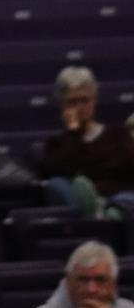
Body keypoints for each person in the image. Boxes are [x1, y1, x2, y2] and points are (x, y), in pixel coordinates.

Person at [40, 66, 134, 219]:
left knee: (119, 207)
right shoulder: (56, 144)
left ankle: (103, 212)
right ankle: (96, 212)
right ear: (62, 105)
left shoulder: (117, 134)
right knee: (58, 184)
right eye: (72, 102)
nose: (79, 107)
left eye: (84, 100)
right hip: (83, 205)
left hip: (121, 199)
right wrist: (74, 132)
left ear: (94, 100)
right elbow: (64, 170)